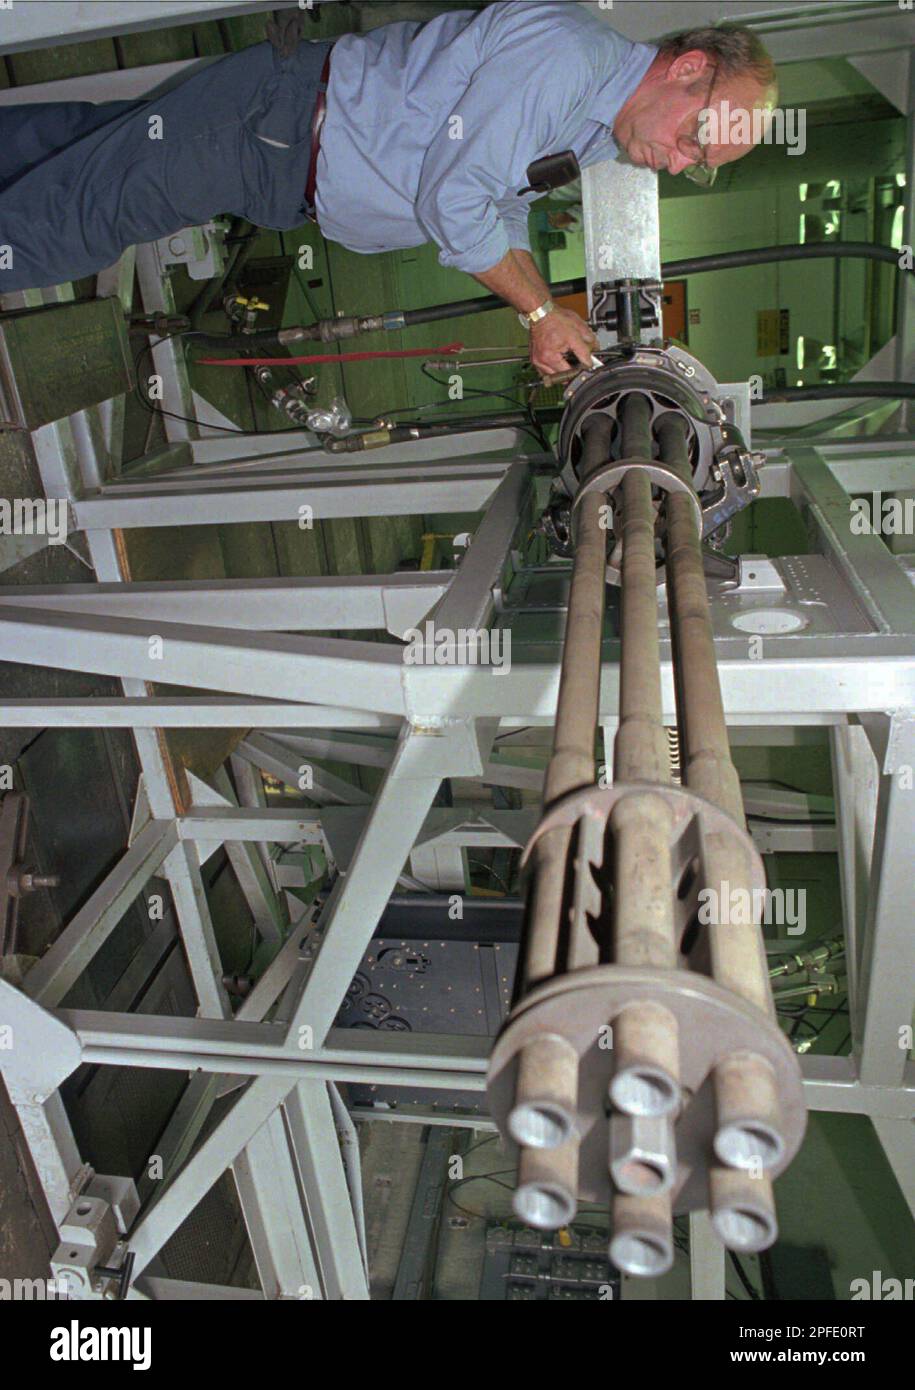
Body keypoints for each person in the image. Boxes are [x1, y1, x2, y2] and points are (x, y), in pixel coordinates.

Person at [0, 2, 776, 378]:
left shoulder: (594, 130)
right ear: (687, 70)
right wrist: (540, 313)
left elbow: (503, 205)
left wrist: (544, 307)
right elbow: (455, 199)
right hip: (269, 128)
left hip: (283, 159)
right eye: (694, 139)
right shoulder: (568, 59)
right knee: (81, 217)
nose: (679, 163)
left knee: (73, 146)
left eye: (699, 165)